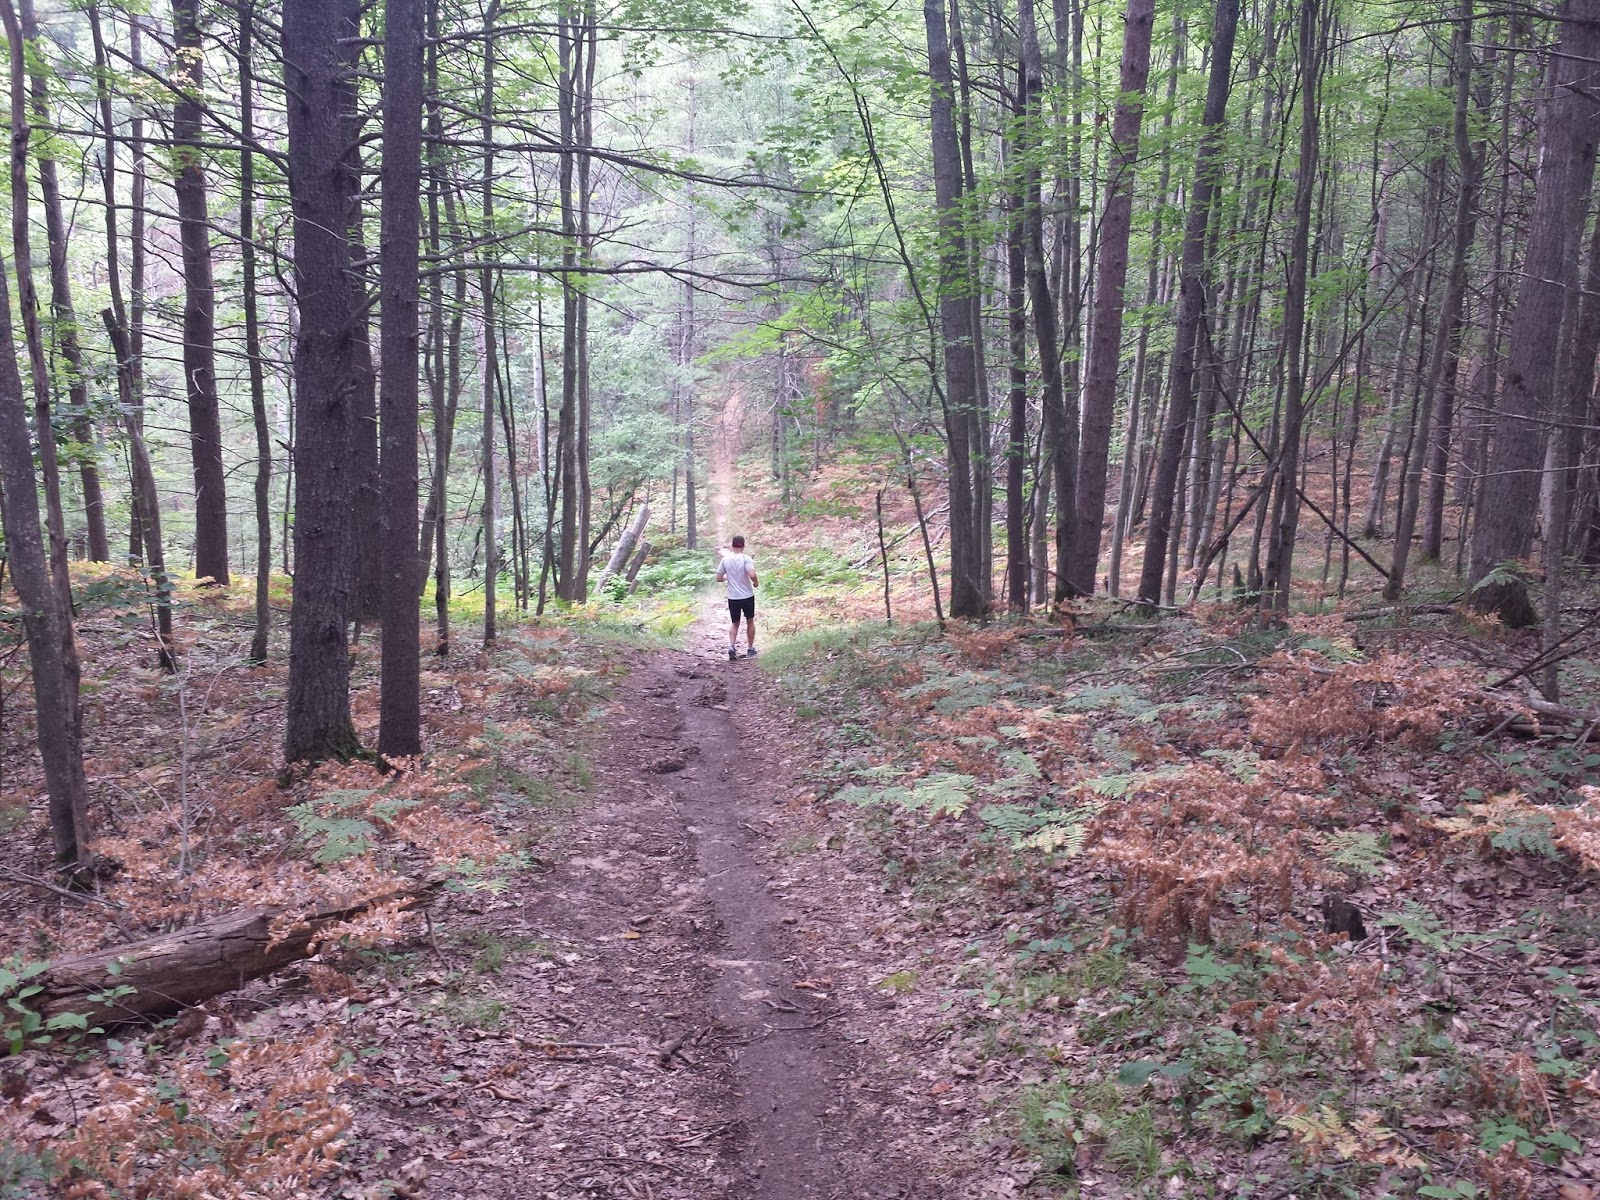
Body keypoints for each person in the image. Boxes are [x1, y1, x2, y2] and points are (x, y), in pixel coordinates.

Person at [716, 535, 758, 660]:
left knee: (735, 623)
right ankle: (750, 649)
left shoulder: (725, 560)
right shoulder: (746, 559)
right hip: (747, 596)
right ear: (743, 546)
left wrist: (727, 577)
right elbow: (751, 573)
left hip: (733, 597)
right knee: (750, 621)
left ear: (732, 546)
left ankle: (732, 646)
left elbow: (718, 578)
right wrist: (756, 582)